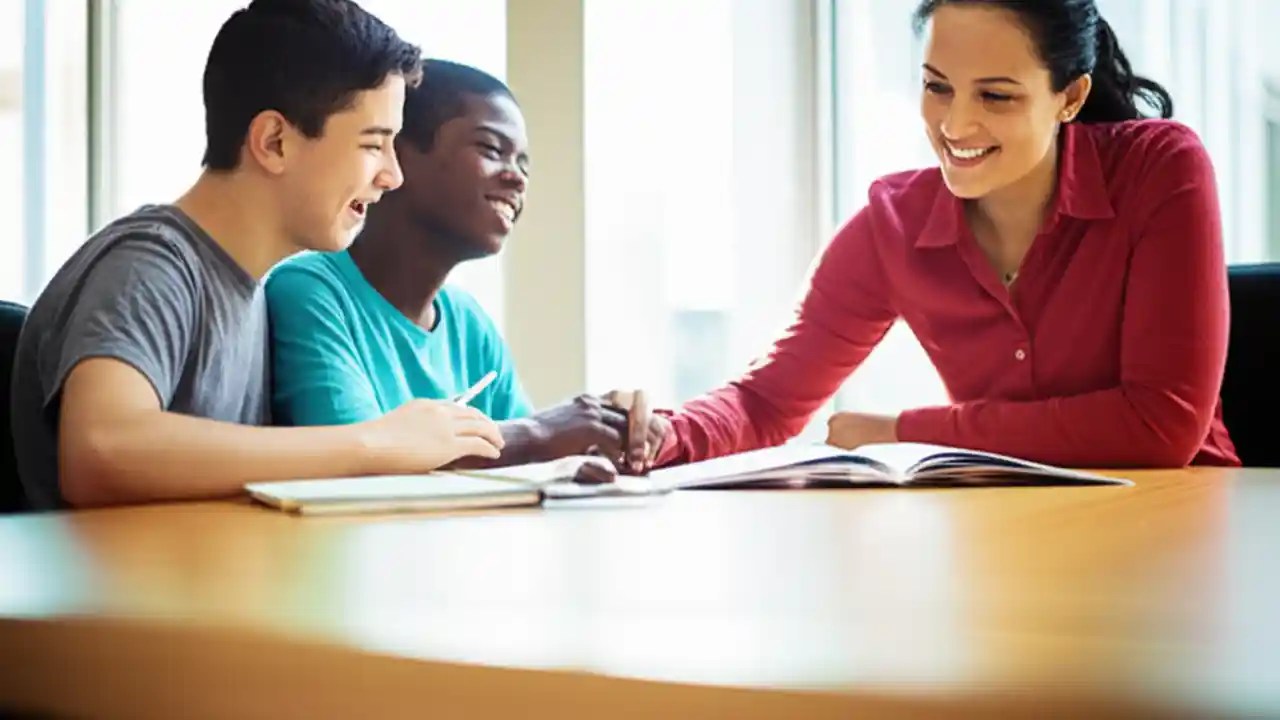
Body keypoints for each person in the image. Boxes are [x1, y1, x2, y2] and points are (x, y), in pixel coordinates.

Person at [640, 0, 1239, 469]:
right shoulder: (892, 224)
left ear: (1070, 97)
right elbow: (764, 402)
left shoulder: (1160, 169)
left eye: (996, 96)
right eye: (937, 86)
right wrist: (661, 434)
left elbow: (1160, 426)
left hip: (1190, 521)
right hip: (1014, 537)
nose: (955, 124)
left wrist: (903, 431)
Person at [10, 1, 504, 511]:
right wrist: (375, 444)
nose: (392, 176)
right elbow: (100, 451)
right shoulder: (149, 266)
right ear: (274, 142)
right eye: (372, 144)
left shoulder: (248, 289)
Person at [268, 60, 662, 473]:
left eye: (523, 164)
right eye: (492, 150)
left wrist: (604, 438)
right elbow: (362, 463)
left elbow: (526, 457)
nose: (517, 179)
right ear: (395, 158)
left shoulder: (468, 323)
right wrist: (542, 434)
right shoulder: (308, 292)